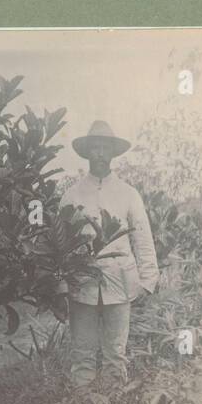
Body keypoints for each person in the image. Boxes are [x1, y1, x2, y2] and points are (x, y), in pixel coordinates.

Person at [60, 120, 159, 389]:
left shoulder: (128, 194)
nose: (100, 153)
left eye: (105, 148)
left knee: (116, 352)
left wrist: (148, 280)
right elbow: (61, 243)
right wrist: (60, 282)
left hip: (120, 280)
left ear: (113, 153)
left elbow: (143, 239)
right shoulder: (71, 195)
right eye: (95, 147)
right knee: (82, 352)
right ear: (88, 152)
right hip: (82, 282)